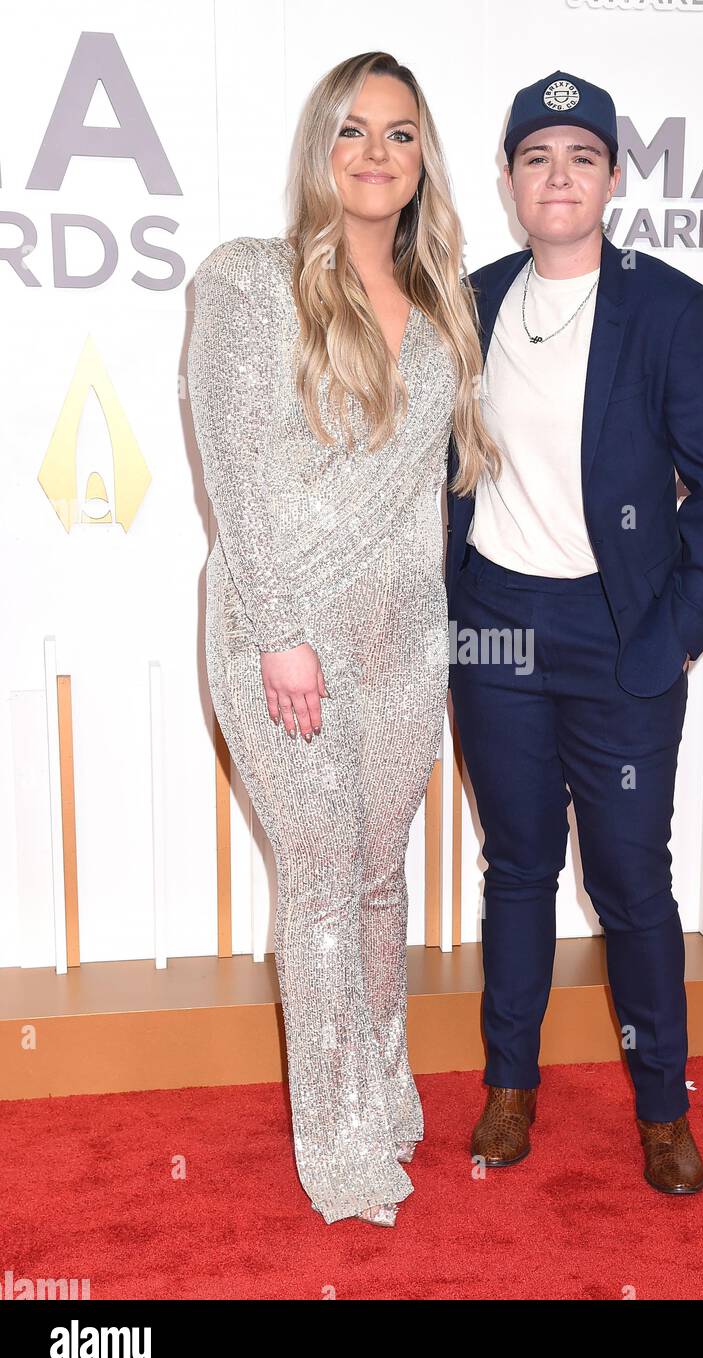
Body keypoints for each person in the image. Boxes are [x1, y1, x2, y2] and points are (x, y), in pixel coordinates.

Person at [187, 52, 499, 1227]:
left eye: (401, 134)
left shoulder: (443, 309)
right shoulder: (249, 281)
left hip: (406, 636)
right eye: (353, 130)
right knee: (320, 880)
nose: (377, 154)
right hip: (287, 631)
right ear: (320, 148)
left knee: (378, 880)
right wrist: (277, 631)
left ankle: (382, 1085)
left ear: (425, 160)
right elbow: (236, 469)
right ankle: (340, 1142)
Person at [446, 70, 703, 1194]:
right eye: (538, 158)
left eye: (581, 156)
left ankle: (663, 1106)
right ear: (512, 181)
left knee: (630, 880)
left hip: (619, 632)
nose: (559, 175)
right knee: (517, 867)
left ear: (615, 177)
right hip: (494, 627)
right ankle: (510, 1087)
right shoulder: (467, 301)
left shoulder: (671, 309)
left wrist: (676, 631)